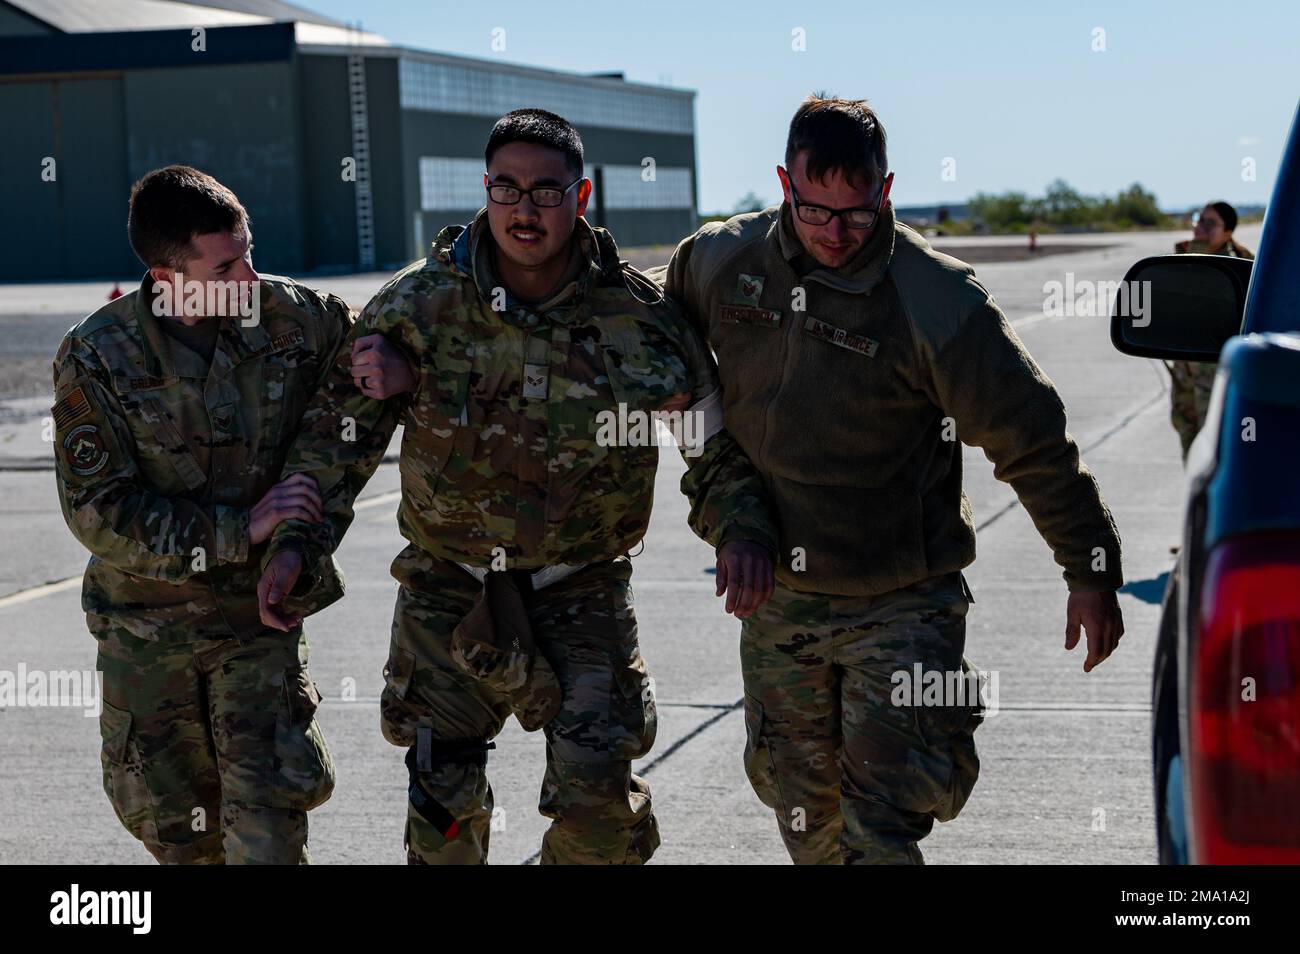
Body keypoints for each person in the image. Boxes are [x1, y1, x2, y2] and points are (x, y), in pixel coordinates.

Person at [255, 109, 778, 864]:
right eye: (506, 188)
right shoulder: (418, 306)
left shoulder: (639, 319)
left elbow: (712, 451)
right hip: (449, 587)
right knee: (443, 808)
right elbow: (337, 442)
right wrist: (298, 545)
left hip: (582, 589)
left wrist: (743, 531)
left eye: (544, 190)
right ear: (485, 189)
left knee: (599, 806)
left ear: (582, 195)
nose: (523, 209)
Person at [658, 96, 1126, 864]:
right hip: (782, 604)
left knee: (881, 831)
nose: (837, 233)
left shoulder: (937, 302)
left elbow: (1033, 442)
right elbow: (645, 340)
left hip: (903, 603)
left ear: (888, 190)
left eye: (859, 212)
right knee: (807, 825)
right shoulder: (719, 263)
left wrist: (1089, 567)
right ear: (783, 182)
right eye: (815, 210)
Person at [52, 165, 411, 863]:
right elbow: (98, 511)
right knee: (181, 836)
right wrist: (237, 526)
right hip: (149, 633)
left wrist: (297, 538)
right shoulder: (98, 355)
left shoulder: (299, 319)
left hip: (258, 615)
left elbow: (356, 408)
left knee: (268, 830)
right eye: (224, 267)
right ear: (166, 279)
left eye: (250, 251)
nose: (249, 277)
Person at [1168, 201, 1255, 458]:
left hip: (1216, 371)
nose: (1201, 228)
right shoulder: (1185, 259)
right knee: (1187, 429)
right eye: (1199, 220)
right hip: (1185, 369)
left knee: (1214, 440)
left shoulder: (1238, 267)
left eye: (1210, 223)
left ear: (1228, 232)